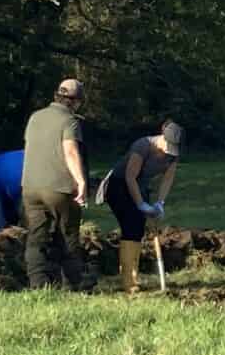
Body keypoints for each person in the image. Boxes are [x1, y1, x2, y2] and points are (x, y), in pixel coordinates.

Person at [20, 77, 91, 290]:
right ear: (76, 101)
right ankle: (73, 284)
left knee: (36, 237)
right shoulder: (70, 121)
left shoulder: (35, 117)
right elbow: (70, 151)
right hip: (58, 188)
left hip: (30, 187)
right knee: (68, 234)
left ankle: (38, 286)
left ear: (56, 96)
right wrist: (81, 181)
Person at [98, 120, 184, 293]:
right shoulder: (143, 145)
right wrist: (140, 204)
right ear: (162, 136)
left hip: (141, 186)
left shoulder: (172, 155)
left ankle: (133, 277)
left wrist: (160, 203)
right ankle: (128, 281)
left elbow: (167, 179)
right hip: (118, 185)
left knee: (138, 228)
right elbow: (130, 176)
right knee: (131, 225)